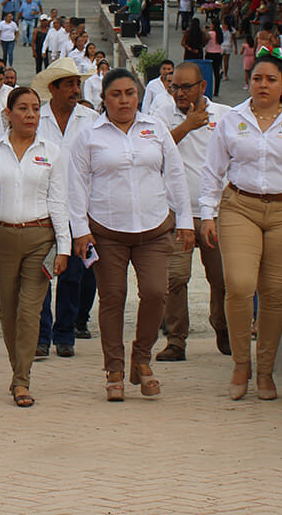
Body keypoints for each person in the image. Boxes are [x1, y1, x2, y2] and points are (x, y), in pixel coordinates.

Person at [199, 48, 282, 401]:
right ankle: (241, 365)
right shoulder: (232, 120)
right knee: (240, 285)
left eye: (271, 79)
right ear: (249, 83)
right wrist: (207, 212)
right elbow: (212, 170)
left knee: (273, 295)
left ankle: (265, 372)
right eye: (257, 78)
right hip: (239, 207)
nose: (263, 84)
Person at [67, 69, 194, 401]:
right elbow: (76, 183)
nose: (124, 100)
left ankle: (142, 359)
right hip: (106, 232)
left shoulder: (156, 129)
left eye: (129, 93)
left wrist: (186, 220)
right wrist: (80, 231)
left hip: (154, 229)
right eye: (116, 94)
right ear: (104, 98)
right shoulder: (89, 135)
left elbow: (175, 173)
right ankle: (114, 369)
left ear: (138, 96)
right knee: (113, 298)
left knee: (155, 294)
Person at [0, 86, 70, 406]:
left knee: (30, 310)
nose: (30, 115)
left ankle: (22, 379)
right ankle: (18, 370)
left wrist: (64, 247)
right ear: (8, 114)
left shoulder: (52, 151)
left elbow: (59, 202)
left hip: (40, 238)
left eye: (36, 109)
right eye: (23, 108)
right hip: (2, 237)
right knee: (9, 311)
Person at [150, 63, 231, 362]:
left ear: (202, 87)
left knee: (222, 279)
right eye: (175, 87)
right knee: (175, 279)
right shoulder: (160, 114)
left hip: (216, 213)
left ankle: (222, 327)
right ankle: (176, 339)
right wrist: (187, 125)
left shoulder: (224, 116)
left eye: (186, 87)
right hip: (176, 213)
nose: (180, 94)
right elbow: (154, 150)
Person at [32, 58, 95, 359]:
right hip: (42, 210)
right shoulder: (37, 119)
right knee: (42, 274)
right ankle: (41, 336)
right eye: (69, 84)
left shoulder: (91, 120)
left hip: (77, 211)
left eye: (77, 83)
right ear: (53, 88)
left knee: (73, 274)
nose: (75, 89)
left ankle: (65, 333)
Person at [205, 18, 224, 95]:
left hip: (210, 53)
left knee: (209, 73)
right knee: (216, 73)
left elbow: (205, 40)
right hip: (218, 53)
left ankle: (208, 89)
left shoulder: (210, 33)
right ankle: (216, 90)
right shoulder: (220, 33)